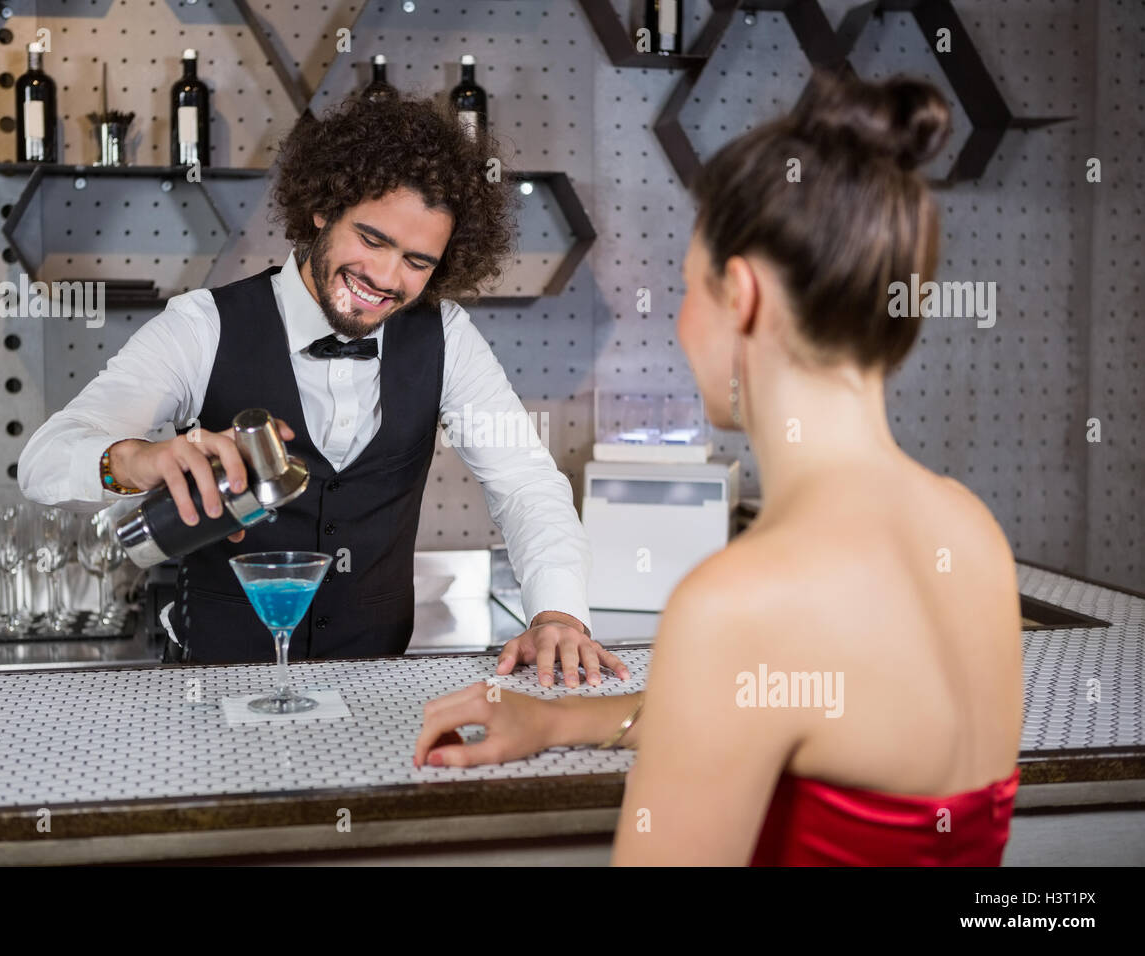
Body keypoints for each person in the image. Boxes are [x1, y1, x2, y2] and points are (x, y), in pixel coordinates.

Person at [414, 71, 1024, 866]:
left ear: (740, 298)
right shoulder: (970, 535)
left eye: (685, 287)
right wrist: (558, 720)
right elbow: (783, 708)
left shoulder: (739, 604)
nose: (679, 321)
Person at [19, 93, 629, 683]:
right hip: (213, 690)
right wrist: (132, 459)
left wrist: (557, 613)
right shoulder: (201, 326)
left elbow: (524, 482)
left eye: (418, 262)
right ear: (322, 208)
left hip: (375, 692)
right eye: (372, 239)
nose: (386, 279)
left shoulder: (447, 336)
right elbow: (43, 461)